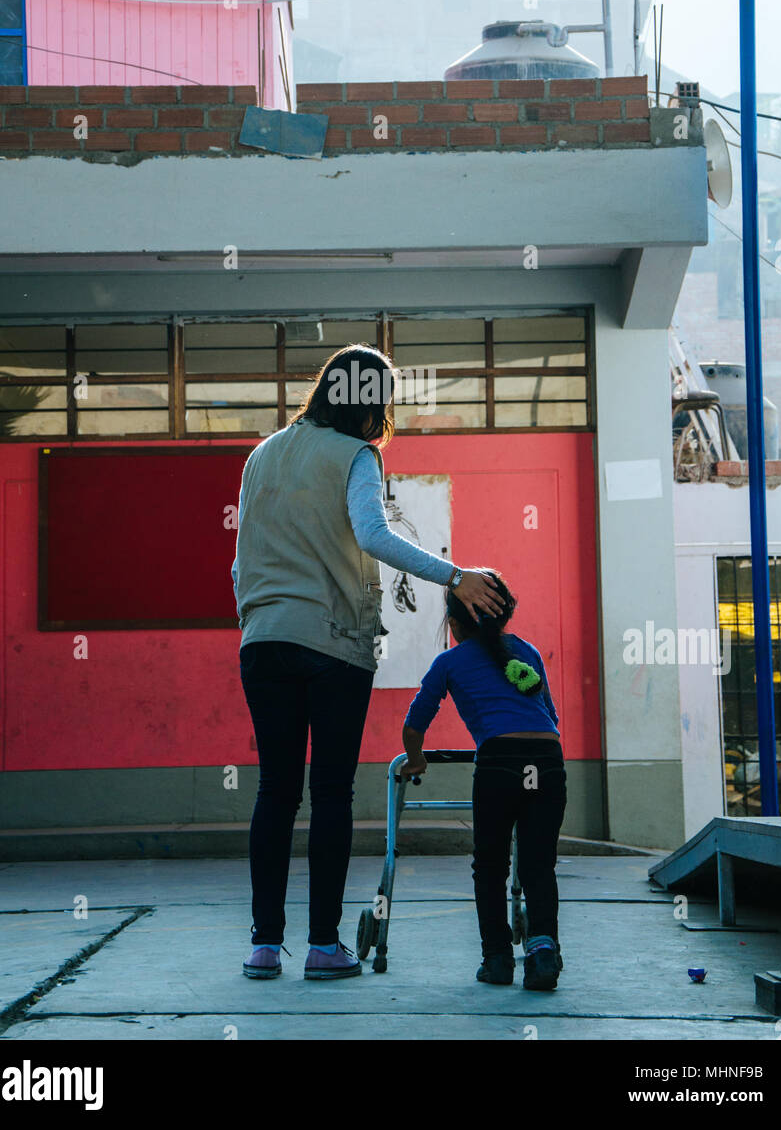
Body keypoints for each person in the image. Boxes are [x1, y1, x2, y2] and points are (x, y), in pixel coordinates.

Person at [232, 343, 504, 980]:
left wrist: (254, 618)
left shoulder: (260, 456)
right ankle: (324, 945)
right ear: (373, 401)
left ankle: (264, 946)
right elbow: (373, 535)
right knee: (329, 793)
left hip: (263, 640)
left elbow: (241, 558)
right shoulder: (356, 456)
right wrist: (455, 575)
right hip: (332, 644)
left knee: (275, 791)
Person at [401, 572, 566, 990]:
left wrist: (417, 760)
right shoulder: (526, 651)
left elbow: (415, 723)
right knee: (537, 864)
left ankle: (497, 960)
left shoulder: (450, 662)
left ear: (454, 626)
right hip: (548, 761)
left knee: (490, 866)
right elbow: (551, 717)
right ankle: (543, 955)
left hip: (498, 764)